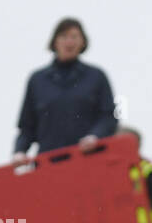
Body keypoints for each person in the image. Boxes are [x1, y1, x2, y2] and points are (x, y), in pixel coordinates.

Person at [12, 17, 117, 162]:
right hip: (49, 164)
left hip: (88, 161)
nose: (69, 42)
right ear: (54, 41)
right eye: (64, 36)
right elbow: (27, 126)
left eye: (74, 37)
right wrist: (19, 151)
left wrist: (95, 136)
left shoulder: (96, 77)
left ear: (83, 42)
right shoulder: (37, 80)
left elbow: (108, 117)